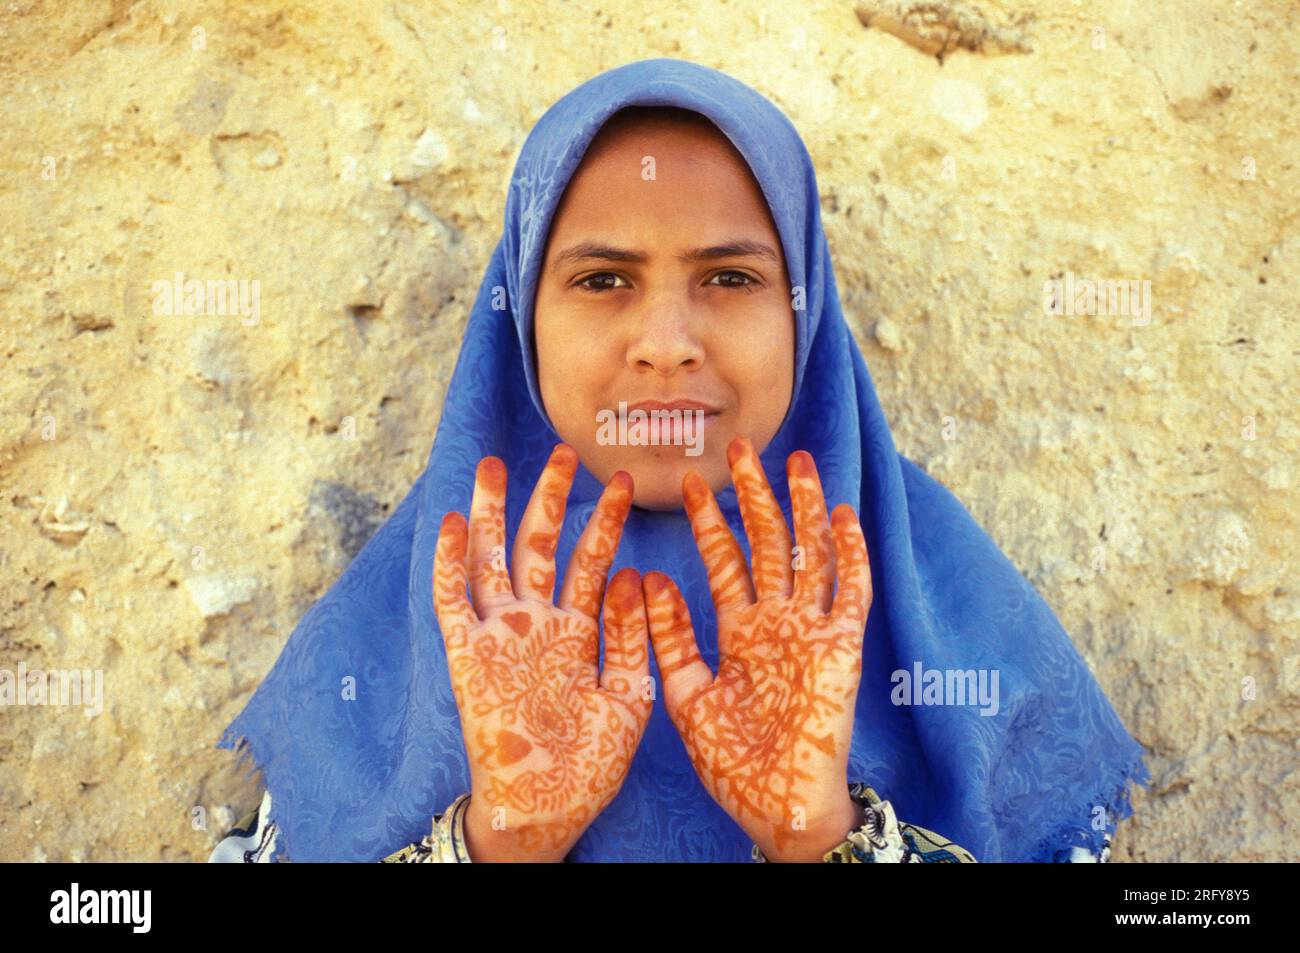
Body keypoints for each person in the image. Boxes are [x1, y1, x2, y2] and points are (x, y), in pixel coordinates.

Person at [209, 57, 1149, 863]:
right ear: (522, 315)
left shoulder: (930, 602)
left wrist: (824, 833)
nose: (666, 341)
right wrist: (501, 838)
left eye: (731, 278)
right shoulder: (429, 605)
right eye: (602, 279)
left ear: (803, 313)